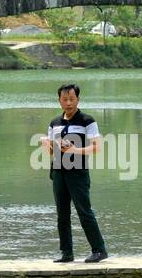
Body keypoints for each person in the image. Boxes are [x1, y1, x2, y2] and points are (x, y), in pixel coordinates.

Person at [41, 83, 108, 263]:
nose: (68, 103)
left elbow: (96, 148)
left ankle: (99, 250)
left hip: (78, 173)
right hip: (58, 172)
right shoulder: (54, 123)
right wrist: (47, 146)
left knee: (84, 211)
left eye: (72, 99)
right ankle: (66, 253)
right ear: (59, 100)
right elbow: (53, 152)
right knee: (62, 213)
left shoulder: (87, 120)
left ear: (78, 99)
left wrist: (74, 150)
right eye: (65, 99)